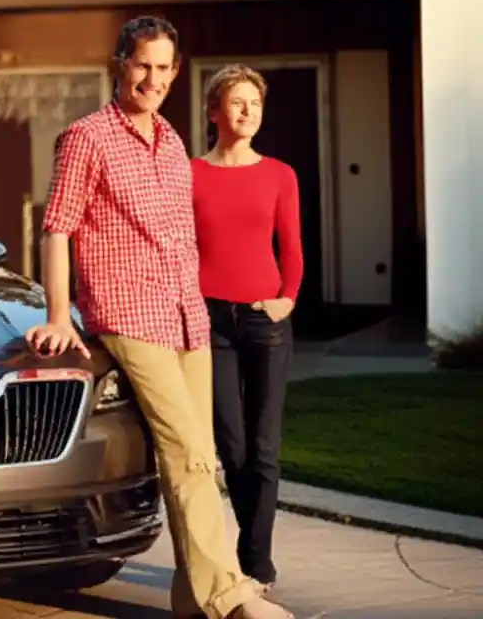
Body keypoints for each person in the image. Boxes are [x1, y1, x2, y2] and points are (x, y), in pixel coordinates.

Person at [25, 16, 293, 619]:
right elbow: (57, 227)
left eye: (164, 67)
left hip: (185, 314)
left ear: (176, 71)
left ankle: (190, 600)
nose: (153, 78)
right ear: (121, 64)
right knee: (191, 451)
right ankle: (230, 596)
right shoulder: (86, 137)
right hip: (128, 312)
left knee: (198, 461)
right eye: (143, 64)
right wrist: (59, 315)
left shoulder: (172, 140)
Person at [191, 64, 303, 590]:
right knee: (230, 446)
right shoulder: (190, 173)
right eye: (236, 103)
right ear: (214, 111)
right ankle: (248, 542)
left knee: (263, 447)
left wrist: (287, 299)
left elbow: (293, 249)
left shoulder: (280, 174)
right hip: (211, 319)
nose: (247, 112)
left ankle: (255, 560)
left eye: (254, 104)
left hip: (265, 320)